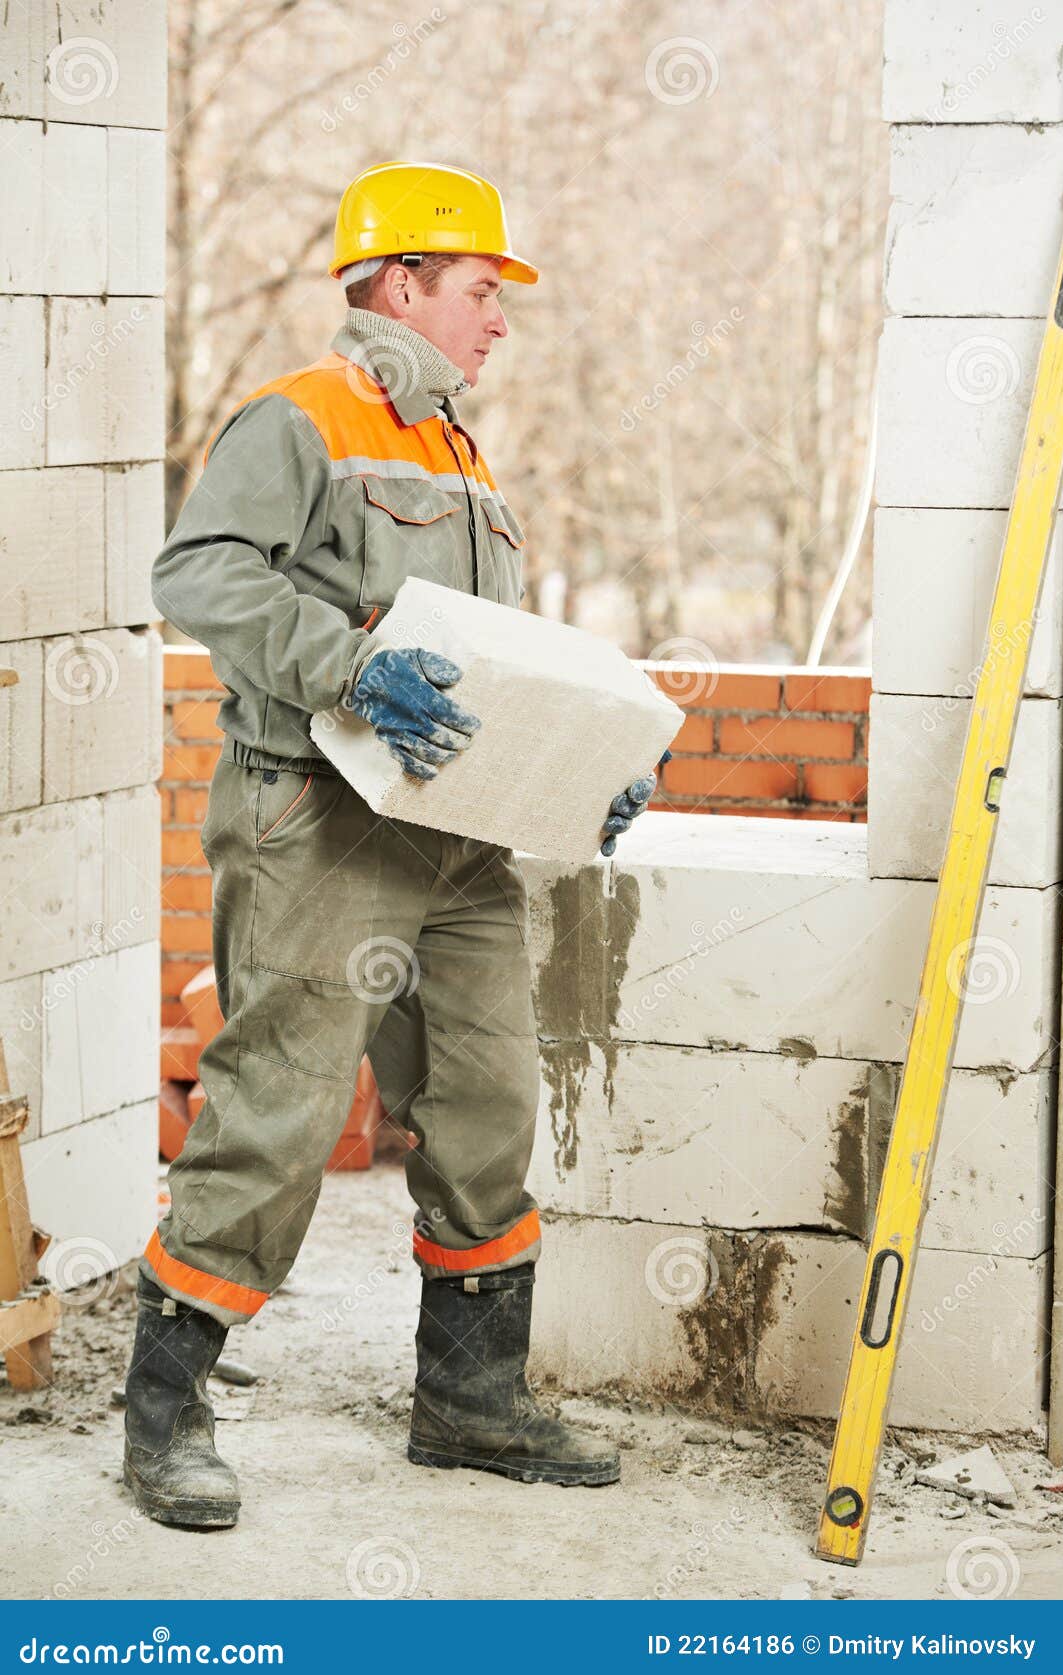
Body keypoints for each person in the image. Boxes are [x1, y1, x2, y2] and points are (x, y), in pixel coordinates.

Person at [124, 161, 661, 1528]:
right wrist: (350, 667)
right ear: (401, 281)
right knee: (279, 1108)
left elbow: (489, 675)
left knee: (488, 1100)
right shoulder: (300, 417)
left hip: (457, 843)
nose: (498, 318)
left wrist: (585, 769)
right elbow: (198, 570)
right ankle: (166, 1415)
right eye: (483, 290)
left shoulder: (460, 461)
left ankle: (470, 1401)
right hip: (320, 824)